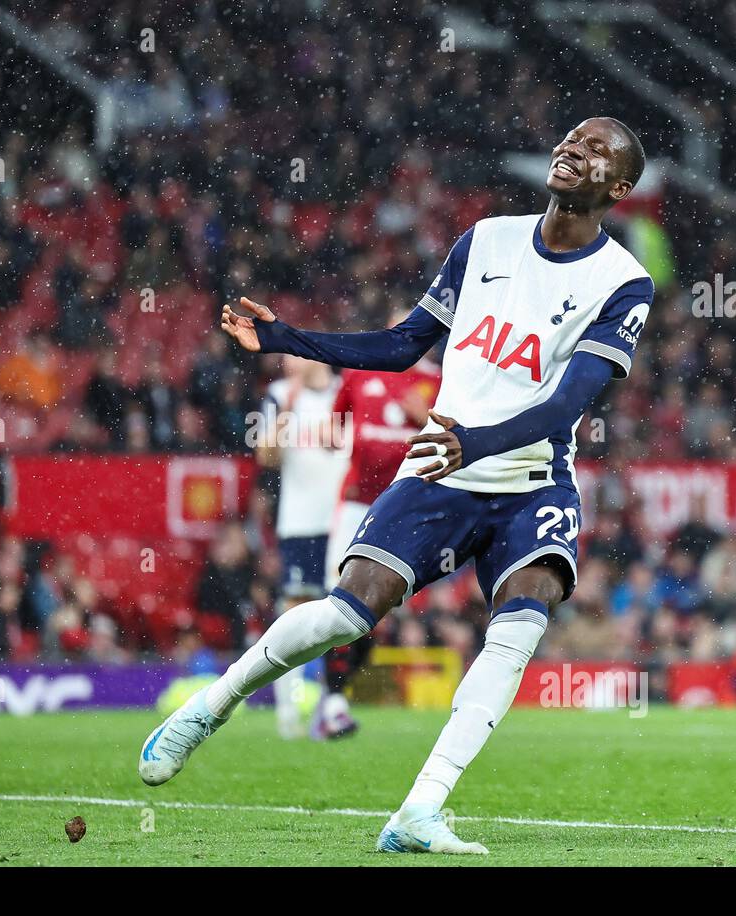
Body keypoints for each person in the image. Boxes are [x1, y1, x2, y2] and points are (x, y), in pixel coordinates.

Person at [138, 117, 653, 855]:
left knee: (523, 616)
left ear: (619, 188)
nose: (574, 148)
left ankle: (420, 808)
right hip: (439, 470)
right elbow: (404, 343)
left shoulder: (624, 283)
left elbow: (566, 406)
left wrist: (475, 439)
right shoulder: (485, 241)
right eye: (571, 137)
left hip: (532, 478)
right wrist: (289, 338)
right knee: (346, 616)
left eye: (597, 149)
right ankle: (209, 707)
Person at [312, 321, 441, 739]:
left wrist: (421, 416)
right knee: (341, 599)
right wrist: (329, 435)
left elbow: (453, 439)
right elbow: (336, 426)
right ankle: (332, 703)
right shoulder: (361, 372)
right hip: (354, 502)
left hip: (401, 506)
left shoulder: (437, 382)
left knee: (372, 617)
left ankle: (335, 696)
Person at [255, 355, 344, 738]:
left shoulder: (346, 393)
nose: (287, 362)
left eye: (294, 353)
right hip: (299, 524)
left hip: (342, 524)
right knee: (292, 618)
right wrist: (288, 409)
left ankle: (330, 710)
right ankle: (288, 713)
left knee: (341, 620)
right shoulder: (277, 395)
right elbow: (266, 457)